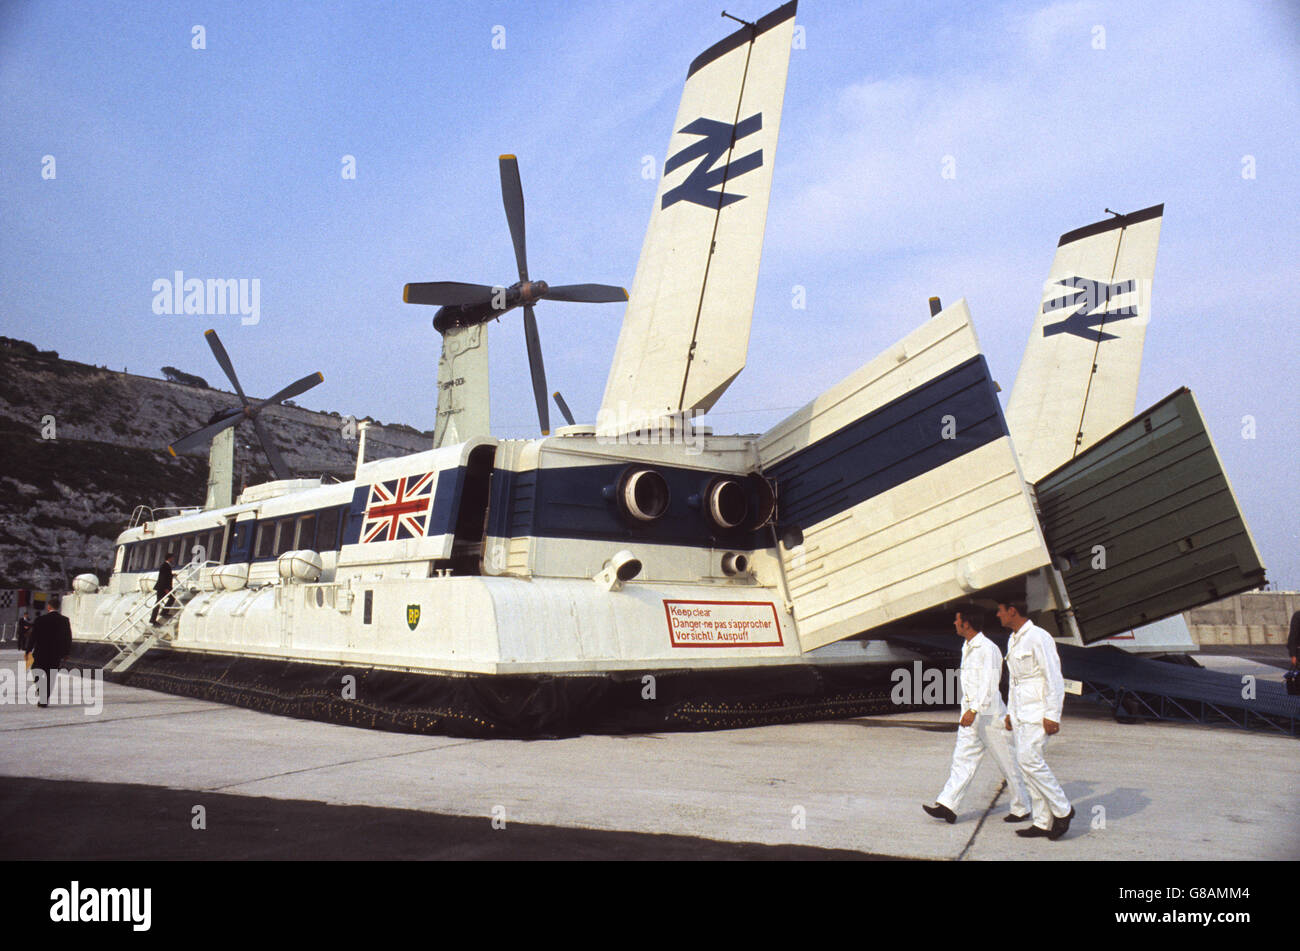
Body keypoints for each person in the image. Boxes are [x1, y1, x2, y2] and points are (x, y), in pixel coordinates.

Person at [924, 605, 1032, 825]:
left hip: (990, 717)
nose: (954, 624)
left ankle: (1022, 808)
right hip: (970, 716)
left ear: (967, 623)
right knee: (962, 759)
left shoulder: (987, 649)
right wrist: (969, 711)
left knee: (1008, 763)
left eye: (957, 620)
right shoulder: (968, 646)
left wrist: (974, 709)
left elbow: (990, 684)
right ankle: (948, 805)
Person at [998, 599, 1074, 841]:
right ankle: (1042, 822)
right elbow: (1013, 681)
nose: (998, 615)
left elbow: (1054, 676)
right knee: (1026, 764)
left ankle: (1063, 809)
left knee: (1030, 761)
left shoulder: (1039, 637)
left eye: (1000, 611)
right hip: (1021, 712)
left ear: (1013, 609)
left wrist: (1053, 714)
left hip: (1039, 711)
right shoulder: (1013, 639)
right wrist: (1010, 712)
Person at [29, 597, 73, 708]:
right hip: (55, 654)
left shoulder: (40, 619)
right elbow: (68, 638)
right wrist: (66, 653)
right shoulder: (64, 620)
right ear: (58, 607)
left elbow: (33, 637)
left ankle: (40, 690)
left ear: (49, 606)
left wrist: (28, 650)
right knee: (50, 676)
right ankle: (44, 699)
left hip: (40, 652)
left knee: (35, 670)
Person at [150, 552, 175, 625]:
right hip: (163, 587)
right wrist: (166, 589)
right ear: (169, 558)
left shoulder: (166, 565)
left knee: (160, 601)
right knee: (167, 599)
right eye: (172, 558)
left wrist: (172, 575)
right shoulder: (165, 566)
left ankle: (162, 613)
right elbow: (163, 578)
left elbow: (166, 575)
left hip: (162, 587)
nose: (173, 559)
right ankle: (158, 616)